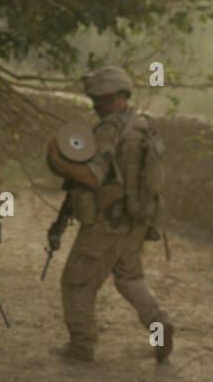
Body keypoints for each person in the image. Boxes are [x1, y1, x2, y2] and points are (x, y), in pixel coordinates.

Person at [46, 65, 172, 364]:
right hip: (136, 219)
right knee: (129, 278)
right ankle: (159, 323)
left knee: (77, 282)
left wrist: (57, 161)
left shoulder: (110, 129)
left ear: (112, 96)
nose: (94, 104)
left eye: (98, 98)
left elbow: (93, 177)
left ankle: (81, 347)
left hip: (108, 221)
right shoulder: (143, 124)